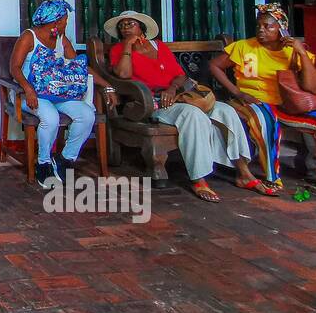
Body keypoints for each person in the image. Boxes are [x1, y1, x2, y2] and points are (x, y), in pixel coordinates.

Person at [106, 10, 267, 201]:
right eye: (122, 25)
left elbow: (180, 75)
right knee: (192, 115)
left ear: (142, 28)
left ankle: (244, 172)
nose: (125, 27)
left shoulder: (158, 46)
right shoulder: (118, 50)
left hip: (179, 96)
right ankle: (199, 178)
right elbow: (123, 75)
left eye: (130, 24)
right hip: (150, 102)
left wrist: (173, 88)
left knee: (226, 111)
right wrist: (127, 45)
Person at [209, 2, 316, 192]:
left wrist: (301, 52)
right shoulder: (244, 47)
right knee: (264, 119)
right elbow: (214, 65)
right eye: (259, 25)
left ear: (282, 28)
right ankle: (271, 177)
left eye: (268, 26)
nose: (261, 30)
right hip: (254, 101)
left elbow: (313, 87)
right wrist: (237, 92)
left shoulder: (293, 51)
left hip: (289, 104)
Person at [10, 0, 116, 189]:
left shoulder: (61, 40)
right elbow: (14, 68)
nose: (67, 23)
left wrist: (107, 85)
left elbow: (79, 68)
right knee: (49, 118)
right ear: (56, 22)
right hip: (29, 93)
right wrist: (28, 89)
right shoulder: (29, 37)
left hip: (57, 93)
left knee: (86, 115)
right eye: (65, 20)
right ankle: (43, 163)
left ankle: (65, 160)